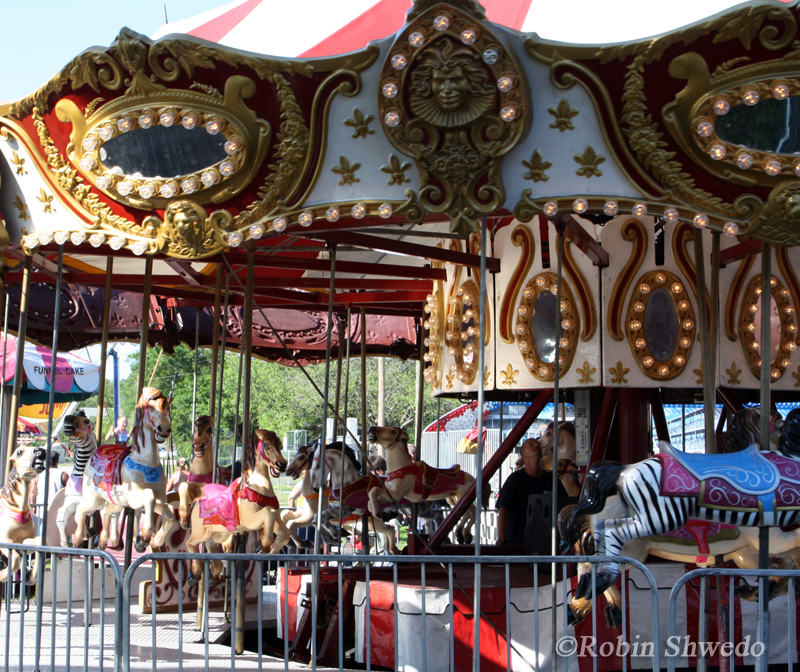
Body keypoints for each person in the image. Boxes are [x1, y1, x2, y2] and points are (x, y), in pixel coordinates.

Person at [495, 438, 567, 546]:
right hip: (519, 541)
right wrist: (502, 536)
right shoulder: (515, 480)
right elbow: (503, 510)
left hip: (546, 542)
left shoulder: (552, 480)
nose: (536, 445)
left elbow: (565, 506)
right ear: (523, 455)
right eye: (531, 444)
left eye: (538, 445)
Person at [31, 452, 69, 532]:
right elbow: (69, 493)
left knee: (41, 533)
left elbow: (32, 492)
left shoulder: (38, 475)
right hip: (57, 512)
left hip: (41, 510)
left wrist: (34, 507)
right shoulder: (63, 475)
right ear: (57, 461)